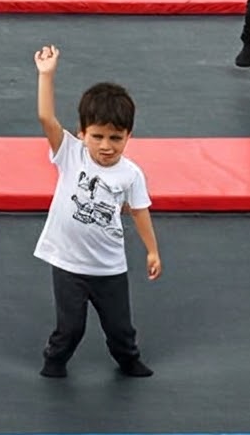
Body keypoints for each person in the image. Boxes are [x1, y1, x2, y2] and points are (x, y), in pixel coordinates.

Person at [29, 51, 158, 379]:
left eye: (116, 138)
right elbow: (46, 118)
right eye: (97, 136)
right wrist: (46, 74)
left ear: (128, 136)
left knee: (120, 328)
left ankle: (128, 360)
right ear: (82, 133)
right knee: (70, 327)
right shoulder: (70, 154)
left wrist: (152, 250)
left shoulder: (131, 174)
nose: (106, 146)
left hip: (109, 267)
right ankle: (54, 361)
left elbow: (140, 212)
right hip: (68, 263)